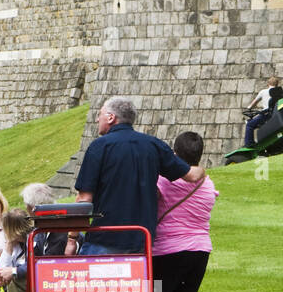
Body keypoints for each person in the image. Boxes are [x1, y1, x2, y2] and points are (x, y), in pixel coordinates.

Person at [74, 96, 206, 255]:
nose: (97, 119)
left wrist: (71, 238)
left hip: (105, 237)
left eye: (99, 114)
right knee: (140, 281)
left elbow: (84, 199)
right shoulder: (154, 145)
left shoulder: (99, 146)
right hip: (141, 240)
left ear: (111, 117)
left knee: (97, 280)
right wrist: (202, 170)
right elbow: (191, 176)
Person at [152, 132, 217, 292]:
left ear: (175, 154)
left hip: (167, 250)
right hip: (200, 250)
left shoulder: (165, 180)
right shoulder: (207, 182)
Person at [244, 78, 283, 146]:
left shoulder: (263, 92)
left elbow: (254, 103)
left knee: (250, 125)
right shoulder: (282, 95)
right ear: (277, 84)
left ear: (268, 84)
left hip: (265, 115)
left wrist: (249, 108)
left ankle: (249, 143)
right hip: (276, 116)